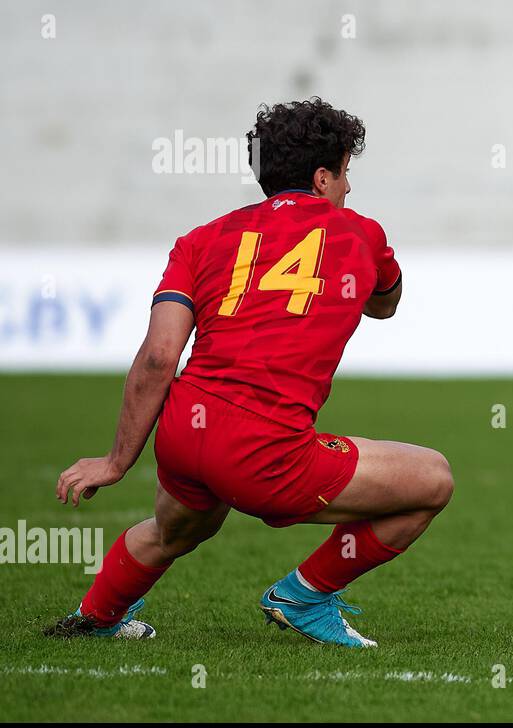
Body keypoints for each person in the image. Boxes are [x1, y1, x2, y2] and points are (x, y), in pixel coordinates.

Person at [46, 98, 453, 648]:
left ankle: (94, 616)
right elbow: (385, 304)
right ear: (321, 176)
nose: (349, 188)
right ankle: (304, 595)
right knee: (432, 480)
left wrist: (117, 461)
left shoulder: (200, 239)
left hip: (187, 433)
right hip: (266, 451)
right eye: (345, 173)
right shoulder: (361, 233)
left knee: (175, 530)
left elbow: (160, 356)